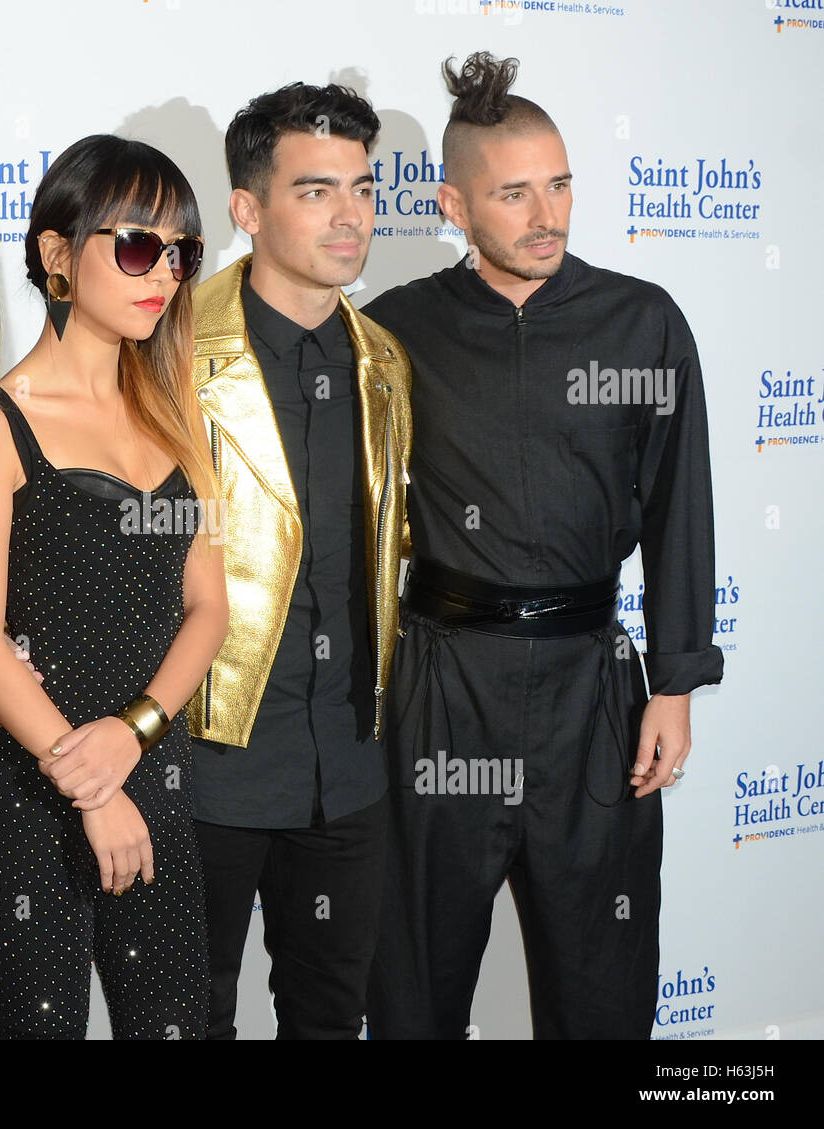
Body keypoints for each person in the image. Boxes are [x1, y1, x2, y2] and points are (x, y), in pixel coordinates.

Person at [361, 51, 723, 1039]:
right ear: (451, 202)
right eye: (512, 193)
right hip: (440, 689)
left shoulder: (640, 323)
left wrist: (676, 686)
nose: (544, 214)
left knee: (601, 992)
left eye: (558, 184)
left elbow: (677, 511)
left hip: (590, 696)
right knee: (412, 991)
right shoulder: (393, 335)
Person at [0, 134, 228, 1040]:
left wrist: (135, 736)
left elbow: (210, 607)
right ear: (59, 255)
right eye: (138, 246)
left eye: (180, 251)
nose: (164, 274)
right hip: (31, 798)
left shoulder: (179, 415)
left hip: (158, 783)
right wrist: (92, 785)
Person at [187, 83, 412, 1040]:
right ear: (247, 209)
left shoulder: (387, 361)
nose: (351, 214)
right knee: (186, 1018)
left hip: (347, 769)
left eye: (362, 188)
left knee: (328, 1018)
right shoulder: (166, 350)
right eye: (316, 191)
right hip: (206, 764)